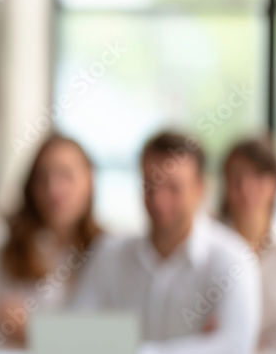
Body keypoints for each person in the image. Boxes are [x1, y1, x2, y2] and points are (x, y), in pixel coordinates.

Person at [73, 131, 262, 354]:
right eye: (150, 186)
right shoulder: (110, 253)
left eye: (174, 188)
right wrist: (198, 346)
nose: (159, 201)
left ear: (200, 188)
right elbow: (73, 336)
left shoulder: (232, 260)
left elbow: (235, 346)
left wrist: (121, 344)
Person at [0, 134, 105, 348]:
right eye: (42, 178)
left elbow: (107, 337)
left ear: (89, 180)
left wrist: (34, 331)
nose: (53, 189)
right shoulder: (8, 248)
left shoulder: (108, 251)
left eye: (66, 175)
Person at [220, 137, 276, 350]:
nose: (246, 187)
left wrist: (253, 347)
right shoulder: (209, 248)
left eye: (258, 176)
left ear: (275, 184)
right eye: (237, 177)